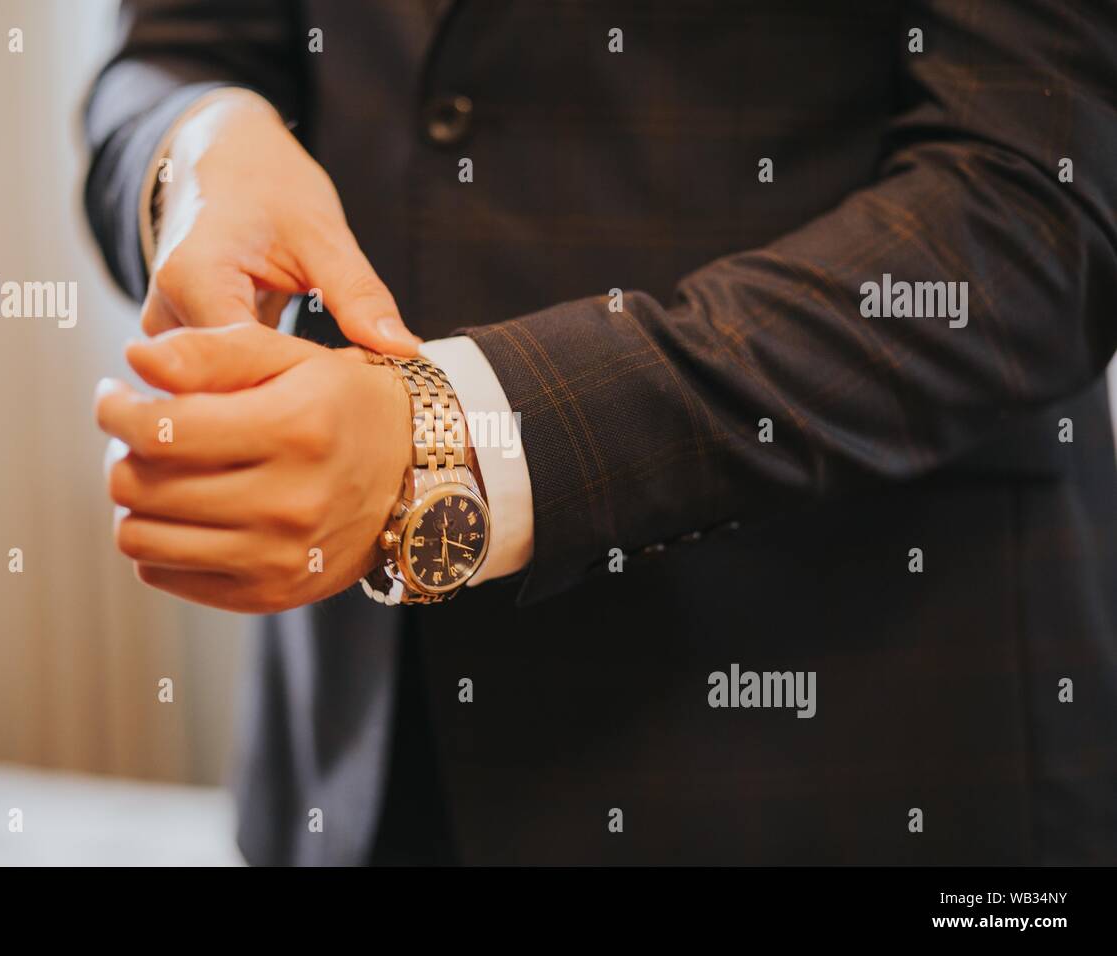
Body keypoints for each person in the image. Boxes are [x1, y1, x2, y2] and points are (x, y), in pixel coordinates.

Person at [84, 0, 1117, 865]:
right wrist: (198, 151)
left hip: (847, 725)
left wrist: (456, 438)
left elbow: (1035, 205)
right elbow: (172, 60)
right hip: (360, 759)